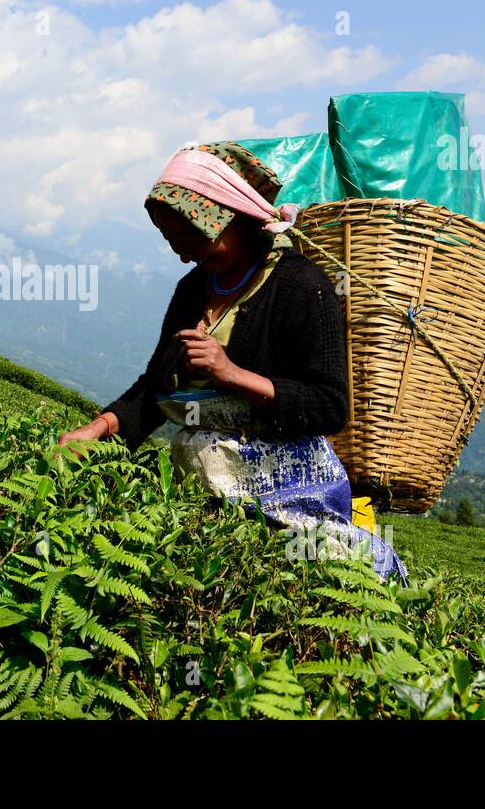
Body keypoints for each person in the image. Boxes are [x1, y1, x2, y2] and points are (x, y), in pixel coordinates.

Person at [58, 141, 408, 582]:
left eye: (193, 239)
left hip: (288, 490)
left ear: (233, 219)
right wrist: (99, 428)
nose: (184, 254)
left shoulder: (303, 286)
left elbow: (330, 406)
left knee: (330, 576)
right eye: (172, 243)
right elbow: (155, 388)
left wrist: (232, 374)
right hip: (202, 487)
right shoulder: (192, 290)